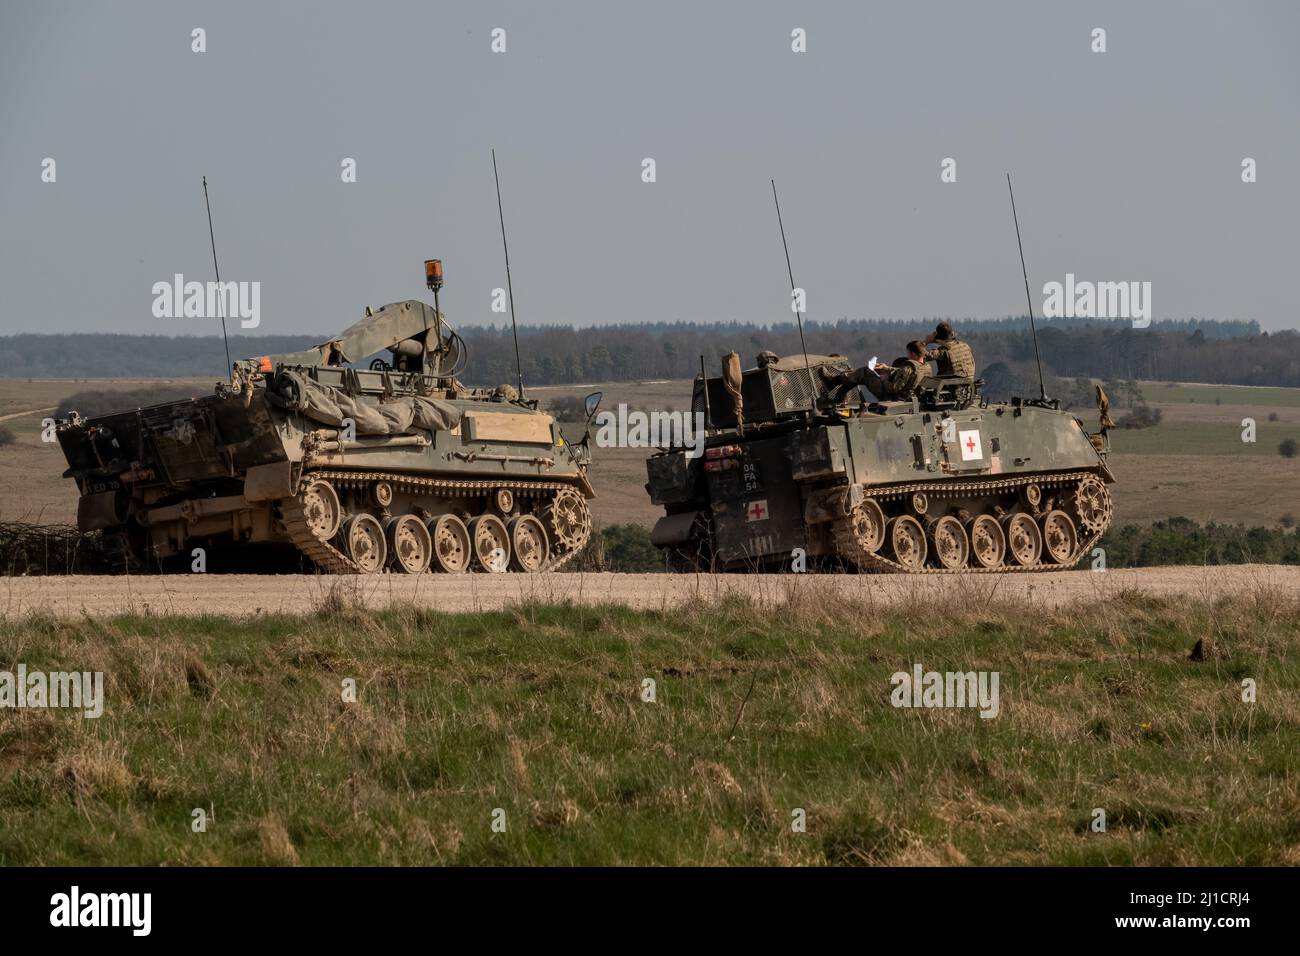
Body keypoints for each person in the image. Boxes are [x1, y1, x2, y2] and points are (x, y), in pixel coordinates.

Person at [823, 340, 929, 402]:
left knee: (865, 372)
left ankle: (834, 381)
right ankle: (839, 391)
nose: (907, 356)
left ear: (913, 354)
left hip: (894, 399)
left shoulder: (908, 368)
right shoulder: (926, 368)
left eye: (909, 353)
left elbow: (892, 388)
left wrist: (883, 379)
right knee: (859, 376)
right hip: (910, 400)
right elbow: (907, 374)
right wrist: (886, 368)